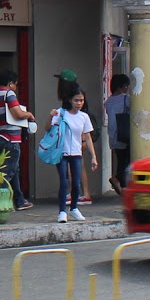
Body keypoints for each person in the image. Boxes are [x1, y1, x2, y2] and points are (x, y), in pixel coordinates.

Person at [0, 70, 34, 210]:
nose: (16, 88)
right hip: (10, 138)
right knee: (8, 172)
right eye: (15, 85)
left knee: (14, 169)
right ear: (10, 84)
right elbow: (17, 114)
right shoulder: (9, 94)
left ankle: (20, 200)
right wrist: (29, 115)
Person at [51, 86, 98, 223]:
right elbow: (49, 128)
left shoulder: (84, 117)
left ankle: (74, 208)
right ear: (70, 100)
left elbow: (88, 137)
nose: (79, 103)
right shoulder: (61, 113)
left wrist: (93, 156)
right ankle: (61, 211)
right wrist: (51, 116)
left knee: (76, 183)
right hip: (61, 152)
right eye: (76, 100)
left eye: (81, 100)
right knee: (64, 182)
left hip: (76, 153)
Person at [55, 69, 94, 204]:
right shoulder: (74, 94)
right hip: (76, 137)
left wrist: (83, 139)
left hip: (78, 136)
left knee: (77, 166)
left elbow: (80, 117)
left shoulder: (73, 96)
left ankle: (80, 195)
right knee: (77, 165)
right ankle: (82, 194)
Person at [104, 74, 131, 195]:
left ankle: (120, 183)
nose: (127, 89)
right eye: (126, 86)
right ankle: (118, 179)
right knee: (127, 160)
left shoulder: (108, 101)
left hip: (113, 134)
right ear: (121, 87)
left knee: (121, 160)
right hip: (124, 133)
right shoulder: (126, 99)